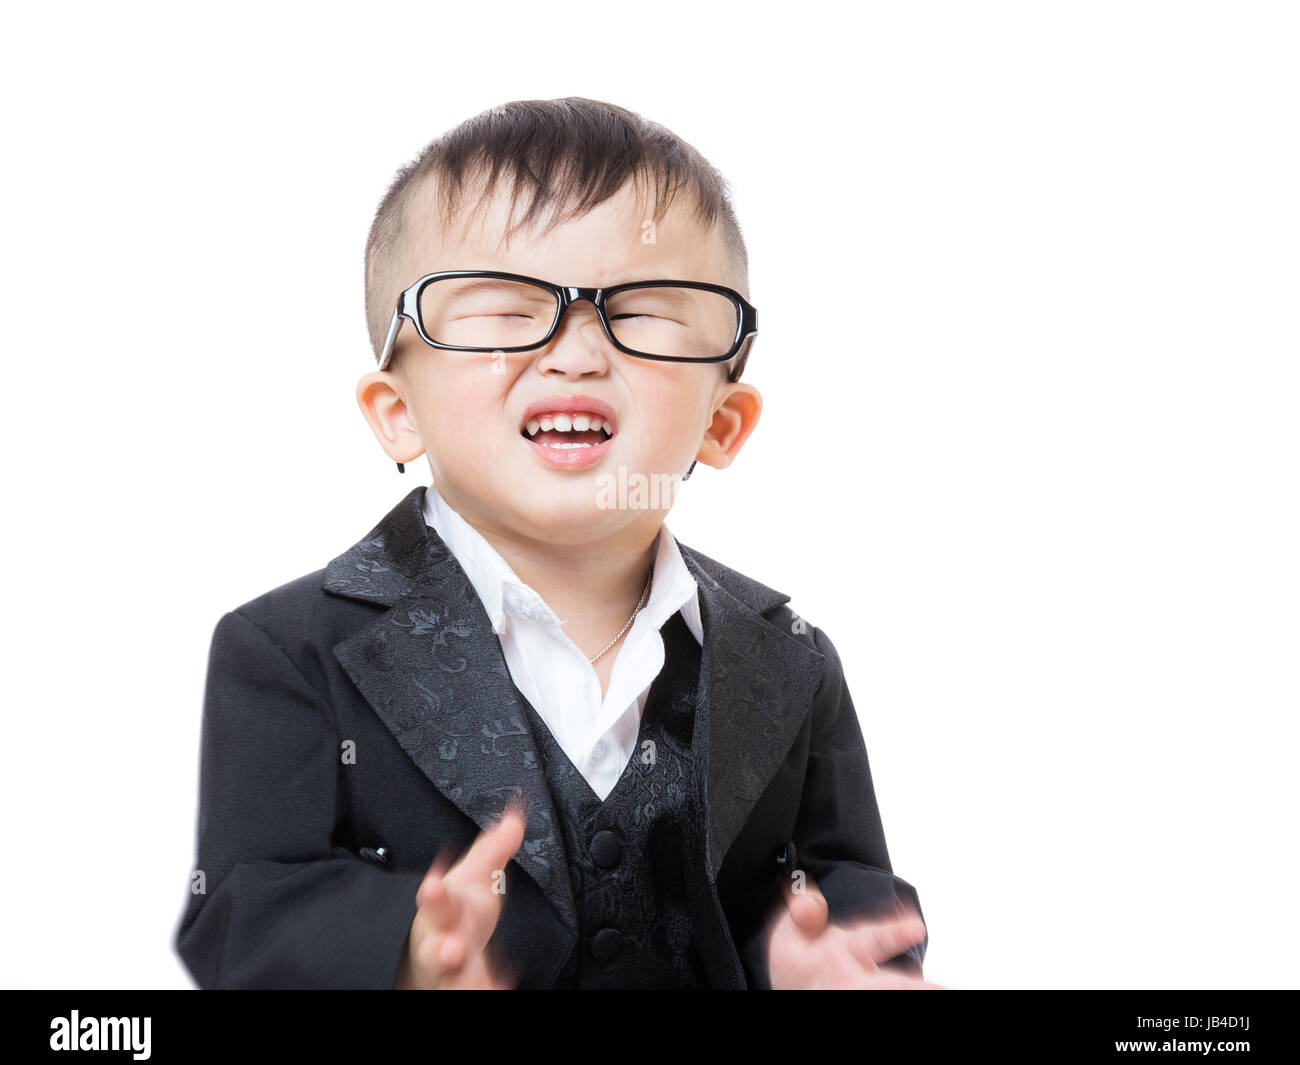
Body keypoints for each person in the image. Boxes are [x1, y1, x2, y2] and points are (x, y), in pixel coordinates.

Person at [174, 96, 937, 990]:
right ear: (395, 414)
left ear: (723, 424)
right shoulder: (289, 650)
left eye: (644, 312)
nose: (575, 353)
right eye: (504, 310)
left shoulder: (792, 658)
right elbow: (245, 907)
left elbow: (840, 881)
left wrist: (829, 956)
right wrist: (402, 948)